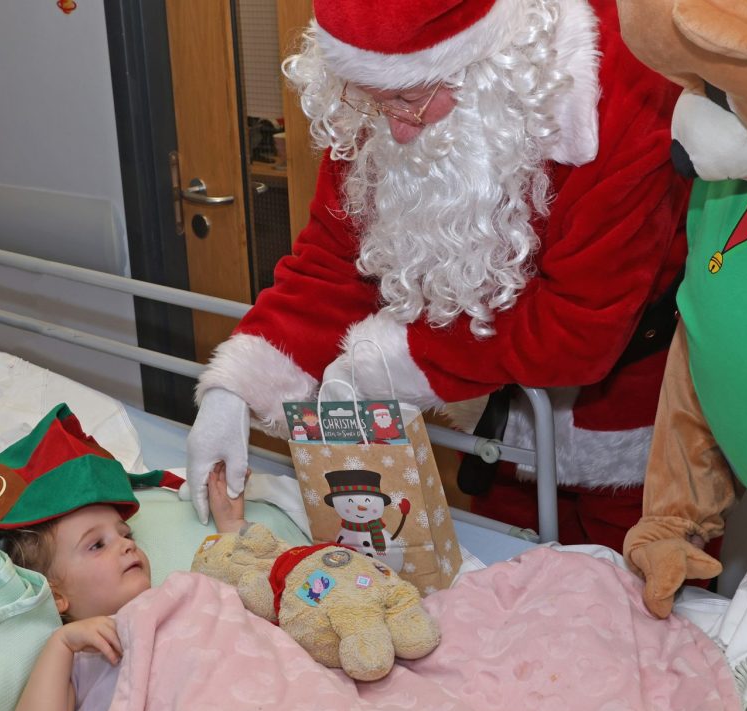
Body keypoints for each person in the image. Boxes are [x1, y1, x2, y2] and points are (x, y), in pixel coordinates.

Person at [187, 0, 691, 551]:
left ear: (486, 62)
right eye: (375, 99)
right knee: (502, 577)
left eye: (410, 97)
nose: (397, 130)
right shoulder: (384, 99)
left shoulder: (626, 95)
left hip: (639, 423)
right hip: (495, 422)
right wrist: (236, 386)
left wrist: (408, 360)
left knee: (643, 607)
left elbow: (581, 324)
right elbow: (336, 259)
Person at [4, 465, 247, 711]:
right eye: (97, 545)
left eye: (125, 534)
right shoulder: (85, 656)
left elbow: (251, 596)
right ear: (56, 597)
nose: (127, 544)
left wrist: (232, 525)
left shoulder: (180, 592)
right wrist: (61, 644)